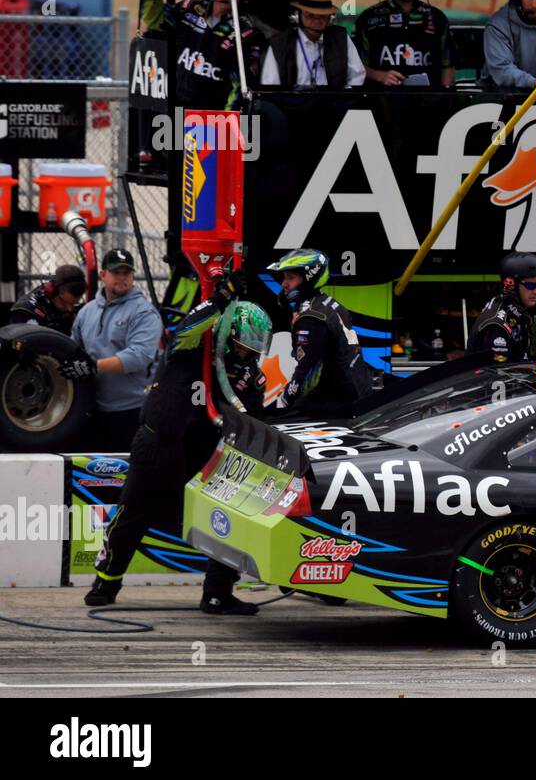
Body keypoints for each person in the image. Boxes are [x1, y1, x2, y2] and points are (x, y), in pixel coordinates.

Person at [84, 269, 271, 614]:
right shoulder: (192, 348)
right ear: (228, 336)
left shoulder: (249, 374)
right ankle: (106, 582)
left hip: (206, 453)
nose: (249, 355)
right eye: (245, 347)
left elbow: (257, 418)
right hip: (158, 442)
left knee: (227, 517)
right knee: (132, 513)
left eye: (254, 349)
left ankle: (217, 594)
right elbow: (185, 327)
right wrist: (220, 298)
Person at [63, 250, 162, 452]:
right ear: (103, 275)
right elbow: (73, 349)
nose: (122, 277)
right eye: (116, 272)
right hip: (92, 408)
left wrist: (93, 367)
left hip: (132, 410)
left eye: (127, 273)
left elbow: (139, 356)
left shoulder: (144, 312)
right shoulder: (87, 312)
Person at [140, 0, 265, 110]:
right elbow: (154, 20)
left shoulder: (246, 34)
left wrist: (225, 122)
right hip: (175, 109)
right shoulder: (189, 9)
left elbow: (240, 87)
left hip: (211, 118)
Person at [266, 249, 372, 415]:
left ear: (308, 278)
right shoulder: (327, 303)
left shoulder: (311, 319)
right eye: (284, 278)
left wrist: (286, 399)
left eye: (290, 278)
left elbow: (306, 370)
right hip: (359, 391)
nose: (284, 284)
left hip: (339, 403)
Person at [353, 0, 456, 89]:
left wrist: (445, 97)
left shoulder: (437, 18)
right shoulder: (369, 19)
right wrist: (380, 76)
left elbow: (447, 64)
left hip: (429, 102)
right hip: (381, 100)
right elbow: (355, 66)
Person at [260, 0, 365, 88]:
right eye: (309, 14)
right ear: (298, 15)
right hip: (293, 103)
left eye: (322, 16)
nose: (316, 21)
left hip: (333, 103)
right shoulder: (280, 43)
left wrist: (344, 97)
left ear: (330, 18)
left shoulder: (341, 38)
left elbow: (357, 75)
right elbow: (270, 86)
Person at [467, 252, 536, 363]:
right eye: (530, 285)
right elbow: (498, 374)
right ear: (510, 283)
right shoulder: (498, 324)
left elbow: (533, 349)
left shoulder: (516, 311)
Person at [8, 264, 86, 333]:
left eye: (74, 304)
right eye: (64, 303)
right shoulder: (26, 312)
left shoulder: (80, 310)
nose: (70, 309)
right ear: (51, 291)